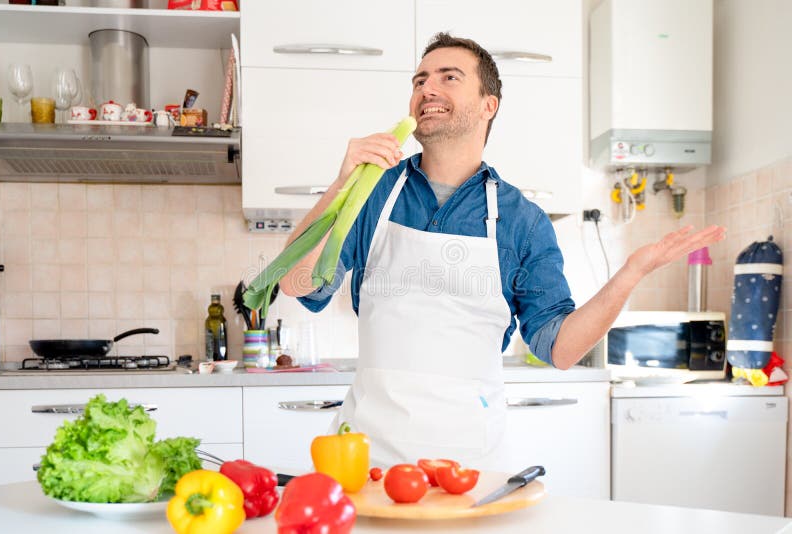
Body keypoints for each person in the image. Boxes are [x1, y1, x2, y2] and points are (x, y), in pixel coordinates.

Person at [279, 33, 726, 468]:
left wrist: (630, 273)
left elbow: (561, 349)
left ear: (488, 105)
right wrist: (343, 185)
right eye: (419, 81)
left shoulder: (522, 220)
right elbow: (297, 283)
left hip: (468, 463)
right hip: (365, 455)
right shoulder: (373, 193)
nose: (426, 88)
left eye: (448, 77)